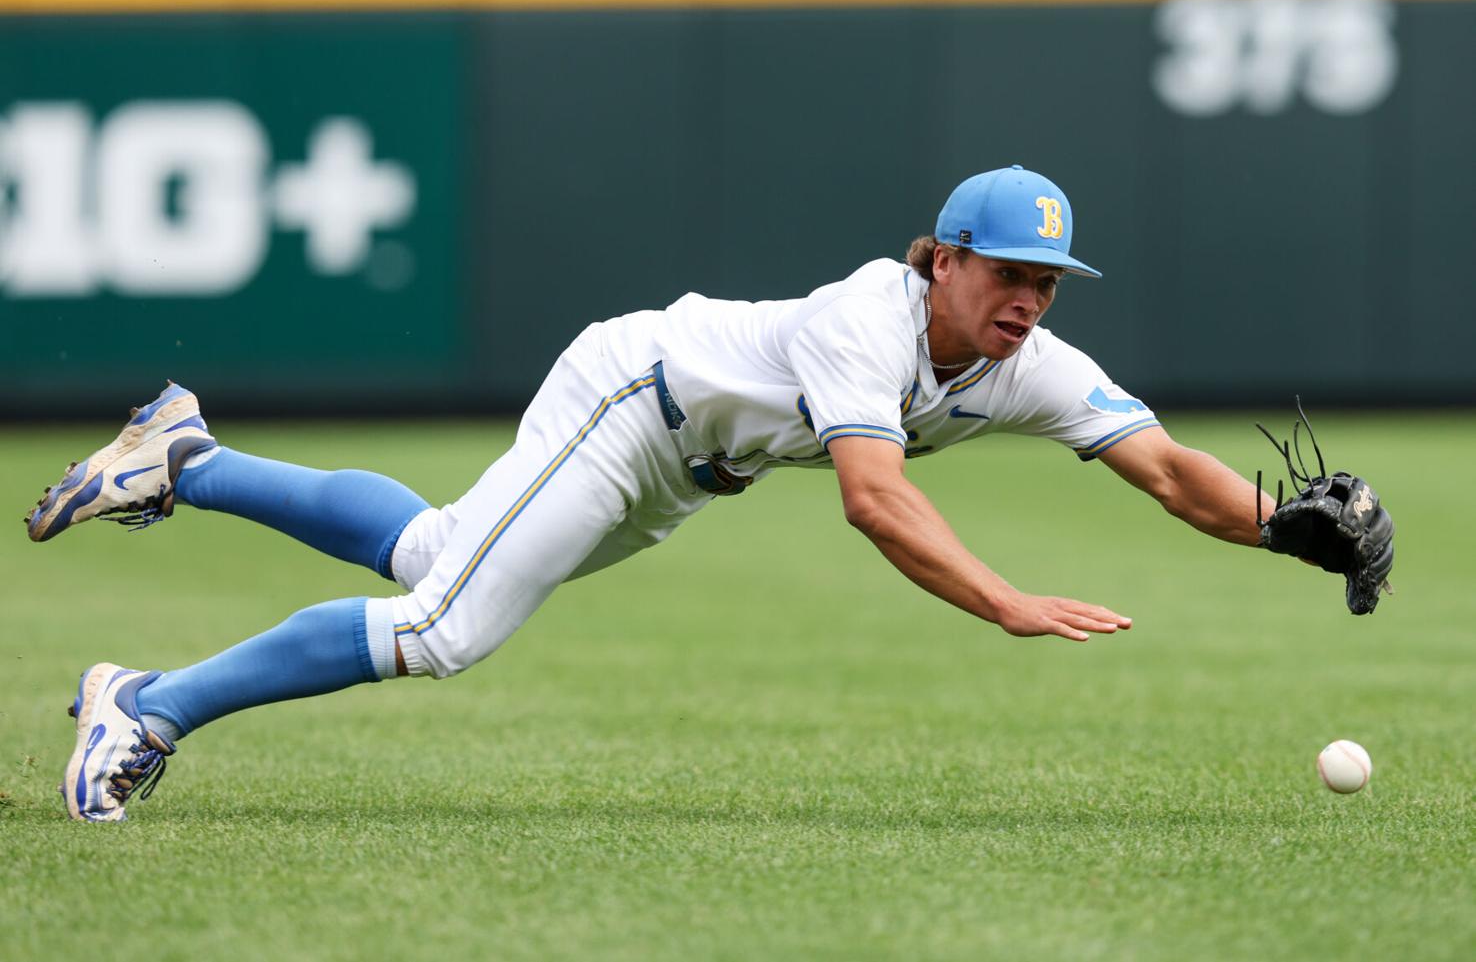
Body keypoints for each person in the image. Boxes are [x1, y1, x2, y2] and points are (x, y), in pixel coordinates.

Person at [33, 165, 1283, 823]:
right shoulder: (870, 316)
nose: (1031, 298)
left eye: (1049, 281)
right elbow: (874, 500)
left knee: (432, 553)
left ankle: (188, 459)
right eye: (1009, 270)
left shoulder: (1026, 360)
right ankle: (148, 707)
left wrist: (1286, 530)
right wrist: (1004, 599)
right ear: (944, 259)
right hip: (633, 396)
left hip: (693, 464)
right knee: (445, 626)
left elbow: (1171, 468)